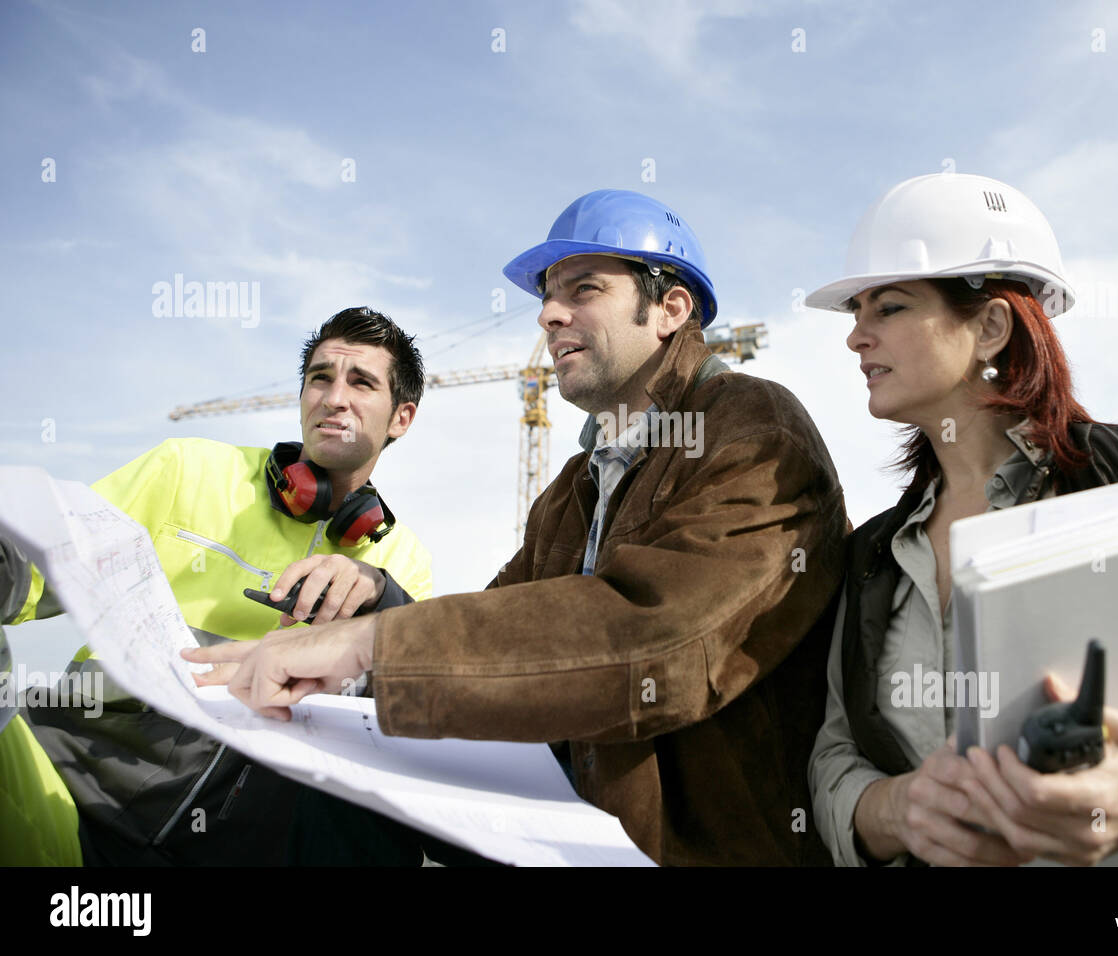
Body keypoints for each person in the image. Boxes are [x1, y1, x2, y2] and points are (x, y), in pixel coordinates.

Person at [187, 189, 849, 866]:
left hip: (688, 852)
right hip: (571, 828)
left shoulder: (752, 428)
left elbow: (657, 639)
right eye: (548, 295)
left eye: (583, 289)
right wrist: (379, 607)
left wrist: (368, 645)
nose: (548, 314)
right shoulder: (572, 487)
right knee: (336, 777)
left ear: (671, 310)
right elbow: (507, 632)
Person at [804, 172, 1118, 867]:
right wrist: (897, 809)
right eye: (857, 310)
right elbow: (834, 753)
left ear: (991, 327)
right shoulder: (870, 557)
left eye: (888, 306)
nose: (856, 336)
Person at [0, 306, 434, 866]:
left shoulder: (403, 562)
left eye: (361, 382)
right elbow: (48, 554)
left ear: (401, 417)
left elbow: (415, 699)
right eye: (320, 378)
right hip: (71, 786)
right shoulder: (187, 469)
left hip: (233, 843)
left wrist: (380, 596)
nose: (333, 398)